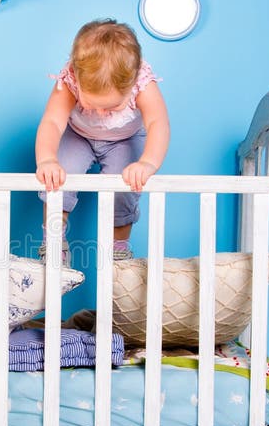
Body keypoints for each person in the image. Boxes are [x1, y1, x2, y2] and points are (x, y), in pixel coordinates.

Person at [35, 19, 170, 263]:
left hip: (125, 139)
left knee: (126, 187)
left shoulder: (142, 82)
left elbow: (158, 123)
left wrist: (148, 163)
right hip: (79, 135)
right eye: (92, 104)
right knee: (57, 179)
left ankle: (118, 250)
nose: (101, 113)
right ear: (77, 77)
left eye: (112, 106)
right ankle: (53, 241)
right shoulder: (70, 80)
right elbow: (52, 122)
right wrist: (47, 160)